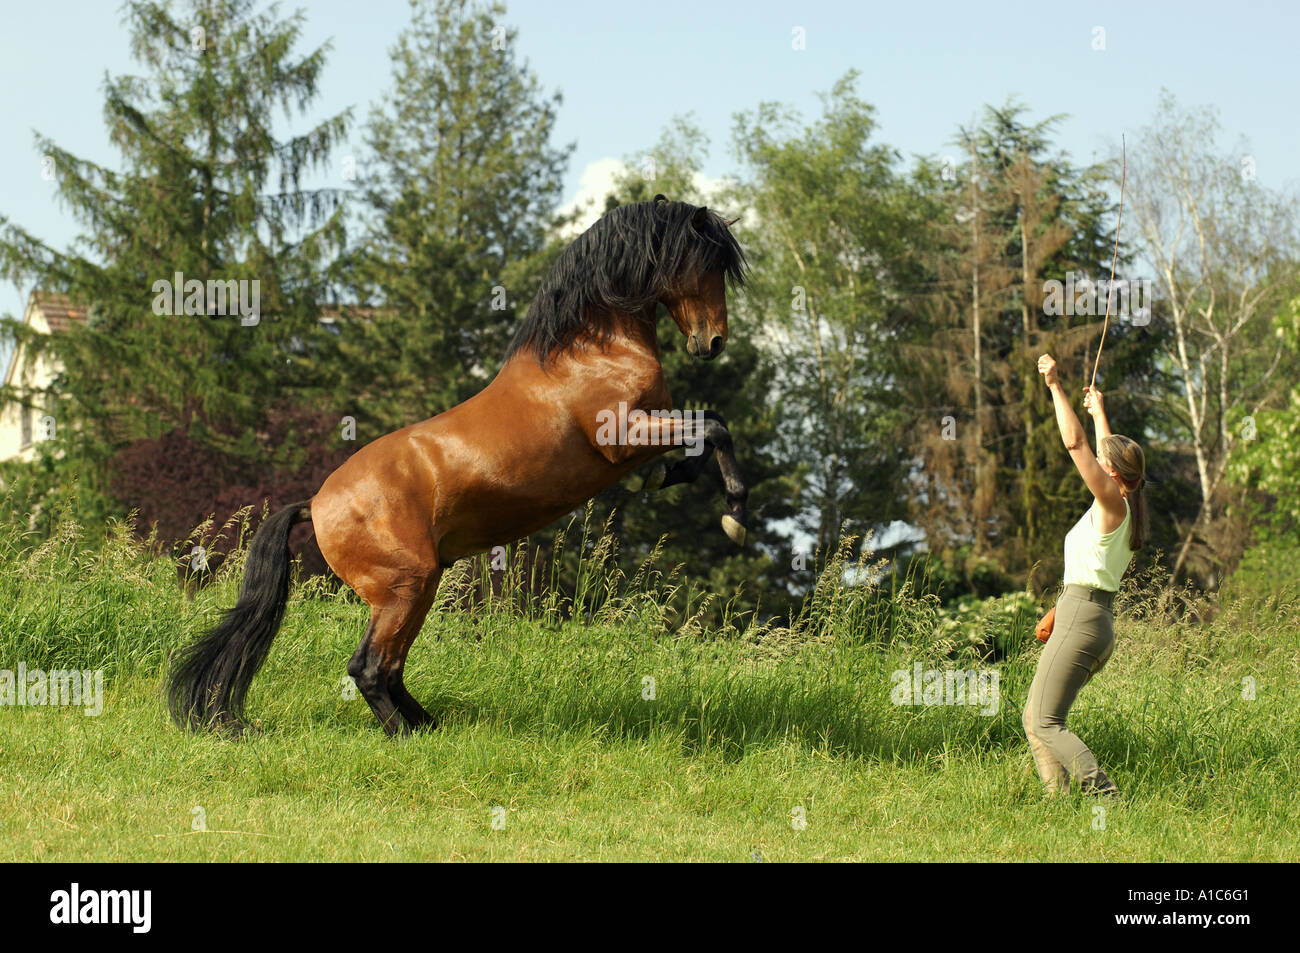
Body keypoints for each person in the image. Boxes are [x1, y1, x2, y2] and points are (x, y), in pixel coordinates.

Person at [1023, 353, 1148, 796]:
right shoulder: (1122, 504)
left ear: (1112, 475)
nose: (1095, 462)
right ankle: (1057, 805)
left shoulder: (1113, 504)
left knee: (1045, 721)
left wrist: (1055, 386)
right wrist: (1099, 412)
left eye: (1103, 462)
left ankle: (1105, 796)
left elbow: (1077, 448)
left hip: (1083, 618)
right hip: (1089, 616)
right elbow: (1101, 451)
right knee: (1036, 718)